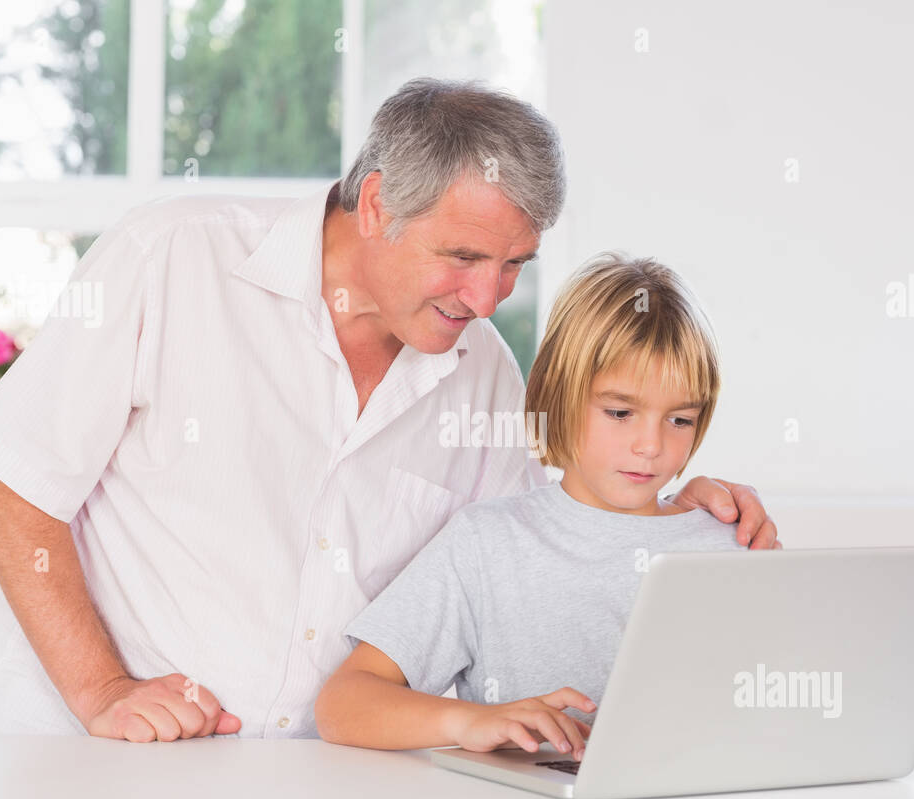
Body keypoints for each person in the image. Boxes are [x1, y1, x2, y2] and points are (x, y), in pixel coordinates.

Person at [0, 77, 780, 743]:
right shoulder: (173, 258)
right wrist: (104, 691)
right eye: (463, 256)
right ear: (379, 204)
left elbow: (535, 545)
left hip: (328, 797)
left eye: (515, 264)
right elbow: (15, 488)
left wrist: (669, 509)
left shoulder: (483, 372)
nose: (489, 296)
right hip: (100, 763)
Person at [317, 252, 748, 759]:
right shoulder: (487, 543)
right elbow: (343, 704)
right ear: (560, 395)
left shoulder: (729, 544)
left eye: (679, 420)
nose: (651, 446)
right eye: (620, 412)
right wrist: (471, 721)